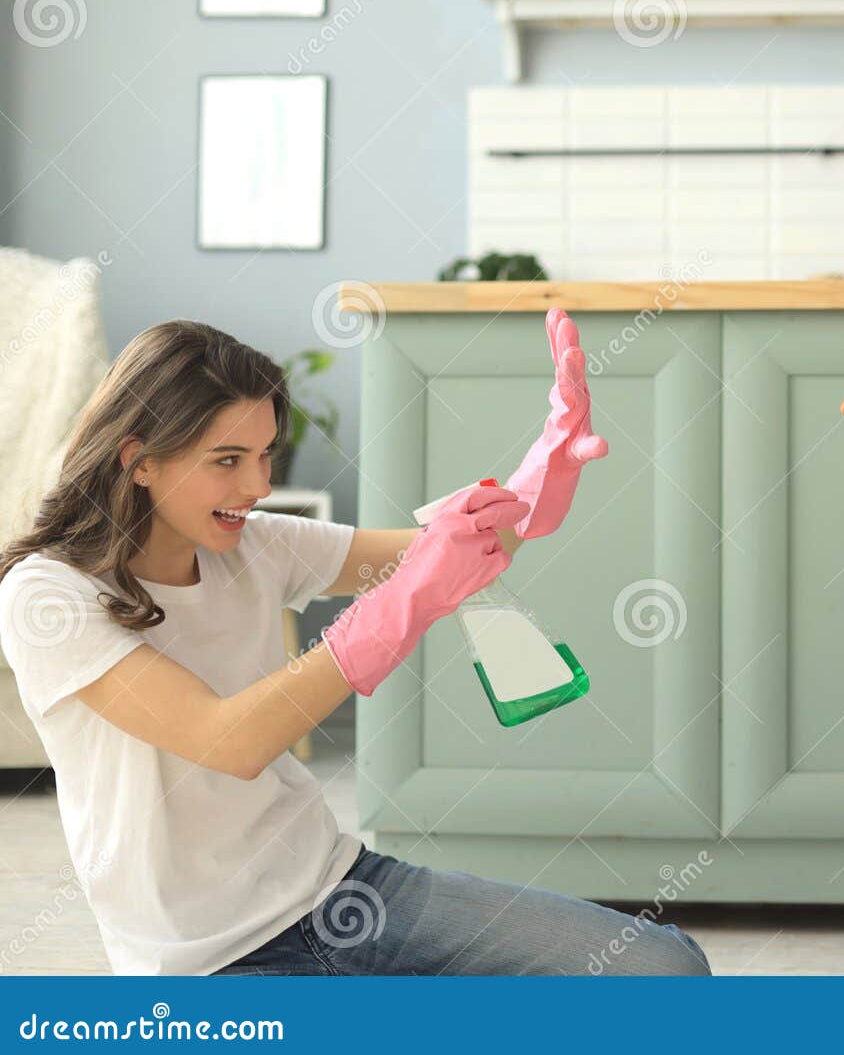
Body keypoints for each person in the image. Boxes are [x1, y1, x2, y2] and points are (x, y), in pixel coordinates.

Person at [0, 312, 710, 977]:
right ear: (140, 460)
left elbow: (441, 552)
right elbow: (228, 740)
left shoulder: (256, 544)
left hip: (342, 887)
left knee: (660, 967)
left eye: (264, 454)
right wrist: (394, 610)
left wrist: (540, 477)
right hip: (205, 960)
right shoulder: (46, 595)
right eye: (227, 460)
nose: (258, 485)